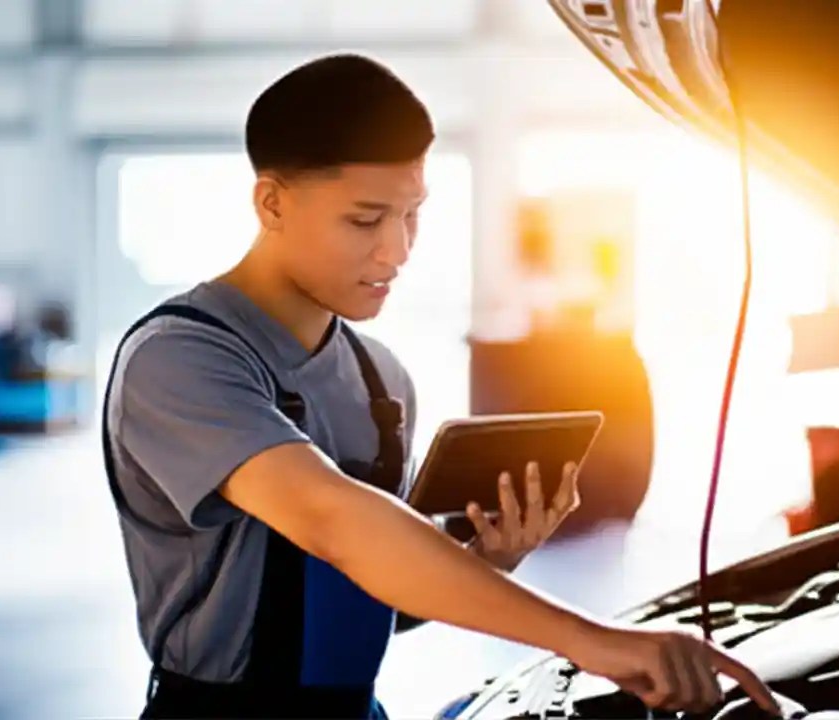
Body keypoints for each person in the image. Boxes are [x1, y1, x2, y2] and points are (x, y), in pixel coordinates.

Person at [103, 53, 780, 719]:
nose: (397, 250)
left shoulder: (381, 381)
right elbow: (333, 521)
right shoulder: (180, 360)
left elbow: (374, 600)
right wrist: (592, 640)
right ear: (272, 203)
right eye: (365, 220)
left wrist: (491, 559)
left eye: (412, 214)